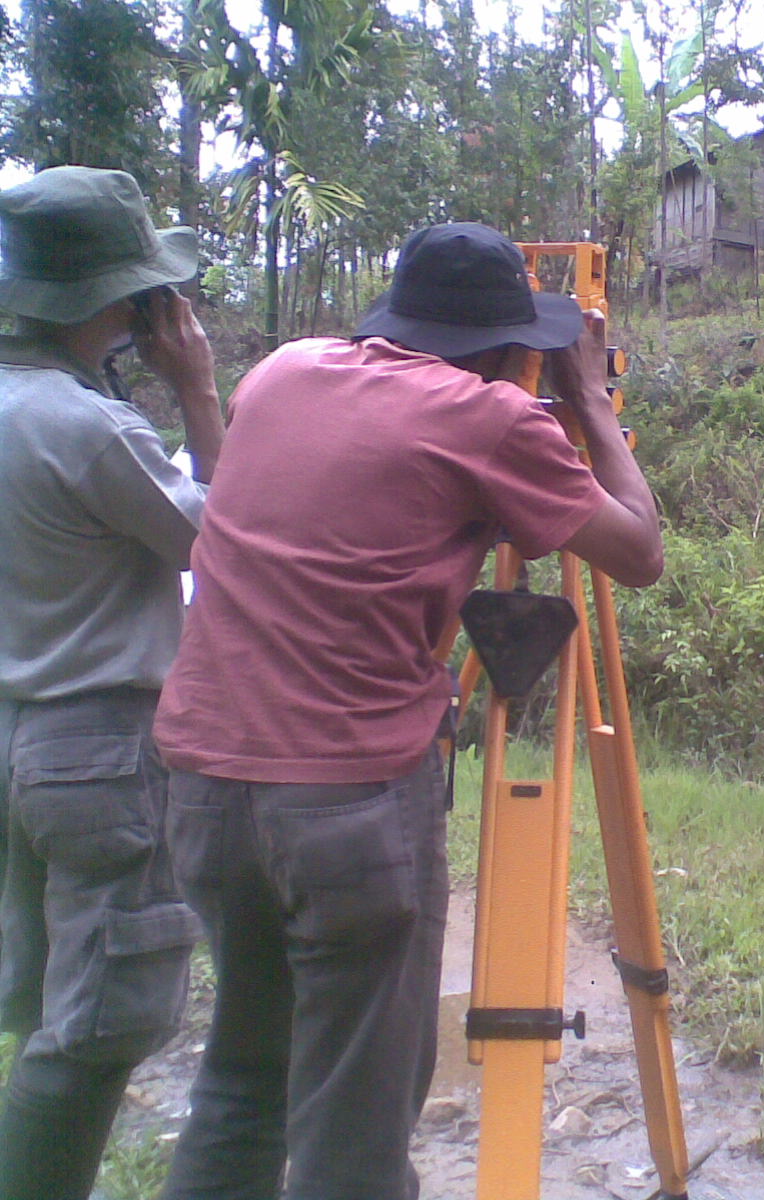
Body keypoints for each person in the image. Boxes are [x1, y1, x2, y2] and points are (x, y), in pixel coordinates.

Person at [153, 221, 663, 1200]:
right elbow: (638, 554)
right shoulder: (489, 422)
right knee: (355, 1127)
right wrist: (591, 406)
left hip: (206, 789)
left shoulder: (280, 373)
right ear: (512, 345)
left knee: (241, 1082)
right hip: (347, 806)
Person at [0, 166, 224, 1199]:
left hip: (21, 735)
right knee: (96, 1030)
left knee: (55, 1004)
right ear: (121, 301)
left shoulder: (27, 406)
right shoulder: (88, 428)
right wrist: (197, 391)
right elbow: (222, 541)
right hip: (100, 747)